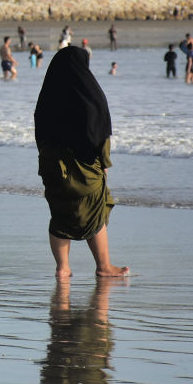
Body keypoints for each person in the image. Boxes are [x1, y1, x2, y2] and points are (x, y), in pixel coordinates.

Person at [34, 46, 129, 279]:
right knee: (95, 212)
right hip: (85, 171)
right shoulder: (91, 95)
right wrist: (105, 162)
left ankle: (62, 268)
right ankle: (104, 266)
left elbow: (40, 132)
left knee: (60, 216)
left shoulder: (48, 96)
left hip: (54, 168)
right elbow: (101, 132)